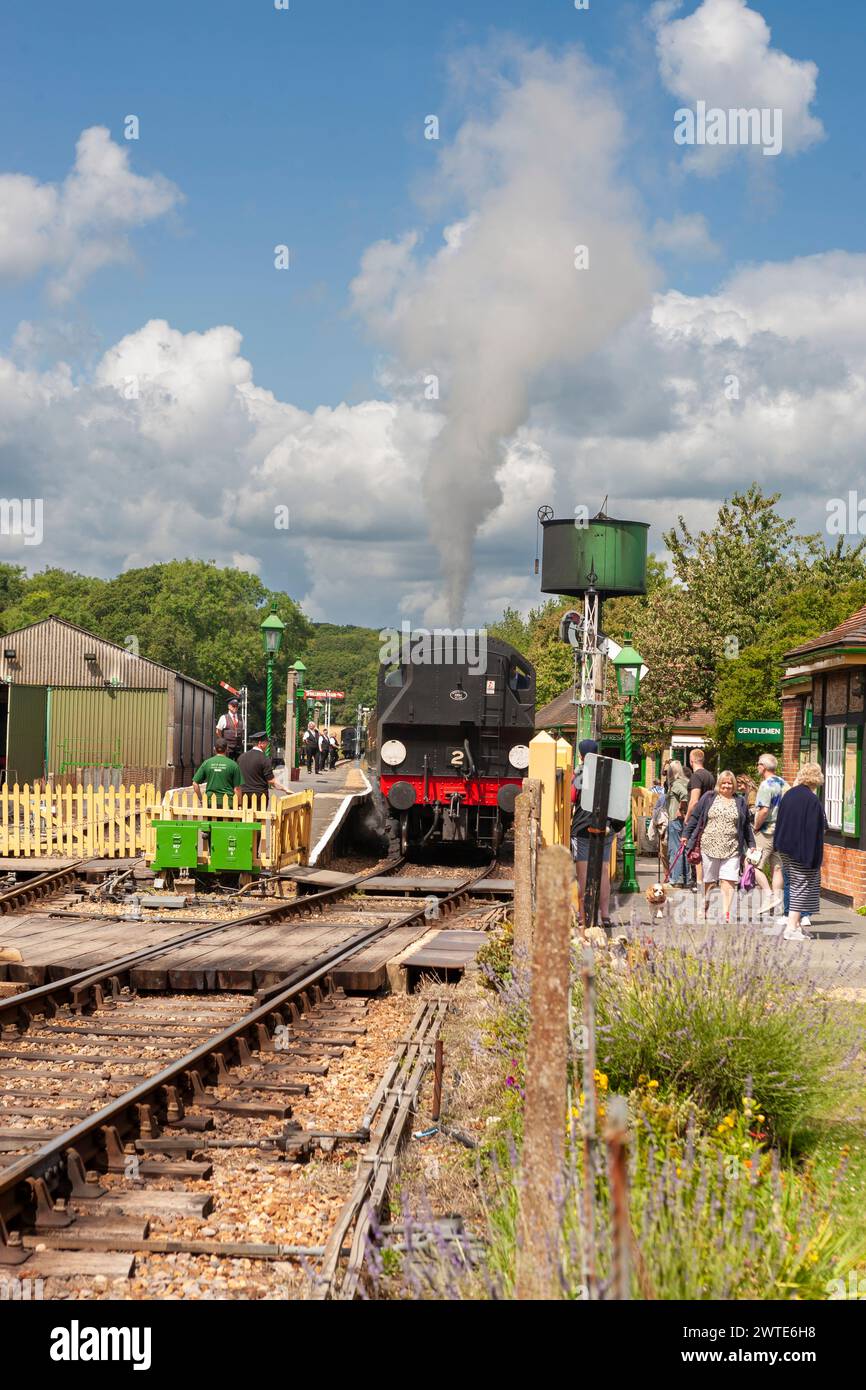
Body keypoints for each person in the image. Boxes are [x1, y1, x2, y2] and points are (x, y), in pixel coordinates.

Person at [762, 762, 826, 943]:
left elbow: (781, 821)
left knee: (796, 884)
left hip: (784, 847)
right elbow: (812, 830)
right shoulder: (811, 799)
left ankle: (796, 926)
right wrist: (812, 857)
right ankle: (791, 927)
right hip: (801, 850)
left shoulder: (790, 794)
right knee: (801, 886)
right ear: (816, 778)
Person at [684, 768, 755, 922]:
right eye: (724, 783)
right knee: (709, 880)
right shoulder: (708, 798)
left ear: (734, 785)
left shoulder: (740, 801)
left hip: (732, 847)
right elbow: (696, 818)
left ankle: (726, 913)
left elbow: (746, 826)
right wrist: (686, 834)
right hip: (709, 846)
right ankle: (704, 907)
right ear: (719, 784)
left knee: (728, 880)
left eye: (730, 783)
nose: (727, 786)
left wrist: (751, 844)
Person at [571, 738, 618, 927]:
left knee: (583, 874)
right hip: (605, 826)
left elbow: (572, 797)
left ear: (581, 755)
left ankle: (584, 917)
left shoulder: (581, 772)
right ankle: (605, 915)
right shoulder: (609, 770)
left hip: (583, 828)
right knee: (603, 871)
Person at [752, 754, 789, 918]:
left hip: (766, 831)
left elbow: (764, 810)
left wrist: (756, 826)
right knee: (777, 868)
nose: (757, 767)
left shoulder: (766, 785)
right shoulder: (784, 784)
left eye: (758, 764)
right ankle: (778, 907)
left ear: (763, 766)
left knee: (752, 865)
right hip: (781, 832)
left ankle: (769, 896)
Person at [685, 749, 716, 888]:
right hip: (708, 817)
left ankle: (699, 883)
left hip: (698, 819)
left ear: (691, 761)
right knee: (704, 850)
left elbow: (694, 800)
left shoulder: (696, 776)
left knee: (695, 850)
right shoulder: (710, 776)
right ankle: (707, 881)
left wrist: (688, 817)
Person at [192, 740, 242, 805]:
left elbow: (195, 784)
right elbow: (237, 788)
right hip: (228, 803)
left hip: (210, 802)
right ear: (227, 749)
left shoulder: (207, 763)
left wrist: (201, 799)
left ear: (214, 749)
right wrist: (239, 804)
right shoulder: (233, 765)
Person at [665, 758, 690, 886]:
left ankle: (676, 879)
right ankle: (686, 878)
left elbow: (684, 795)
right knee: (684, 850)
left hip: (675, 820)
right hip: (684, 820)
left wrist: (680, 809)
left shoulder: (676, 784)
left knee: (675, 850)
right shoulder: (686, 781)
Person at [237, 732, 277, 803]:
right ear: (260, 743)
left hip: (243, 793)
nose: (268, 745)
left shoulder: (241, 757)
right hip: (259, 795)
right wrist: (285, 788)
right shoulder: (264, 759)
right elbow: (271, 780)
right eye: (266, 742)